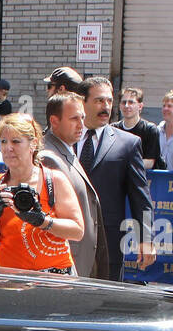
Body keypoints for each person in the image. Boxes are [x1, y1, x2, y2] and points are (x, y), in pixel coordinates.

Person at [0, 114, 84, 273]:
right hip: (12, 278)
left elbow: (77, 231)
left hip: (53, 278)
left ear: (33, 144)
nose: (8, 148)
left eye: (16, 141)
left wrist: (43, 221)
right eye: (3, 141)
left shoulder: (54, 180)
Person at [79, 77, 154, 281]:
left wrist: (146, 238)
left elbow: (141, 196)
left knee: (104, 305)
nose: (106, 107)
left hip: (109, 242)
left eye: (109, 101)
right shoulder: (63, 140)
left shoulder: (128, 144)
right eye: (99, 101)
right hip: (68, 239)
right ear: (82, 102)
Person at [41, 93, 109, 279]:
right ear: (54, 121)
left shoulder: (66, 149)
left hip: (81, 261)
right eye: (74, 119)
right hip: (65, 266)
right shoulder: (48, 156)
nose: (81, 125)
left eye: (82, 118)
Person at [115, 87, 163, 169]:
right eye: (123, 102)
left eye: (131, 102)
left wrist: (123, 165)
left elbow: (149, 163)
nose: (126, 106)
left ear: (140, 106)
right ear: (119, 106)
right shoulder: (113, 129)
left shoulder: (150, 130)